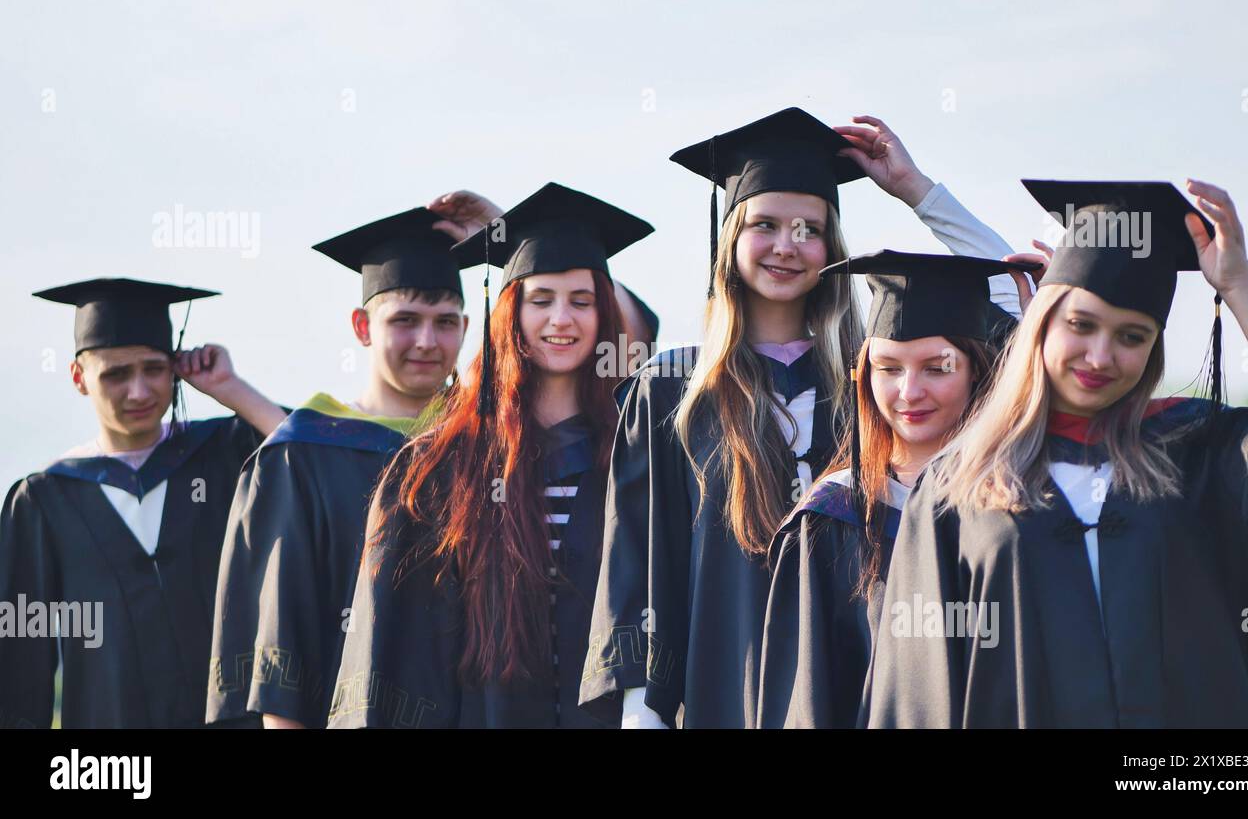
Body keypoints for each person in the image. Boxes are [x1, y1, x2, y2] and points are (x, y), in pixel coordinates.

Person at [582, 108, 1026, 729]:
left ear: (831, 246)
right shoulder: (673, 388)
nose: (787, 246)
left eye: (808, 230)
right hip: (723, 693)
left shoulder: (877, 379)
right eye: (764, 225)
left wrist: (919, 193)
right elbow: (637, 562)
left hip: (864, 687)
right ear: (730, 237)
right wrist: (643, 714)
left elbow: (1021, 305)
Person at [867, 179, 1248, 728]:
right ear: (1042, 322)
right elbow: (917, 693)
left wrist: (1239, 289)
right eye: (1081, 324)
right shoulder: (959, 484)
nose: (1101, 355)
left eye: (1132, 336)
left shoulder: (1200, 452)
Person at [327, 182, 659, 728]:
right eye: (540, 300)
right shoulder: (438, 468)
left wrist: (507, 228)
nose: (561, 320)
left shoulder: (635, 455)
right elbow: (390, 649)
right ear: (509, 314)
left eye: (581, 302)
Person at [206, 203, 477, 729]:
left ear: (465, 328)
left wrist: (505, 234)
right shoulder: (302, 454)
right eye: (404, 320)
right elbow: (283, 638)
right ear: (362, 326)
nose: (426, 341)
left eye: (445, 322)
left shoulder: (486, 444)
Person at [757, 251, 1040, 728]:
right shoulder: (831, 520)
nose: (909, 392)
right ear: (865, 376)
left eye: (936, 367)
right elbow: (807, 701)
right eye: (889, 368)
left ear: (977, 371)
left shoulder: (1018, 507)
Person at [0, 279, 284, 728]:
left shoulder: (226, 453)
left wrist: (231, 388)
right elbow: (20, 660)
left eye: (154, 369)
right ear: (79, 378)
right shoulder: (44, 499)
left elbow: (315, 464)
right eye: (116, 373)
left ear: (174, 369)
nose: (139, 391)